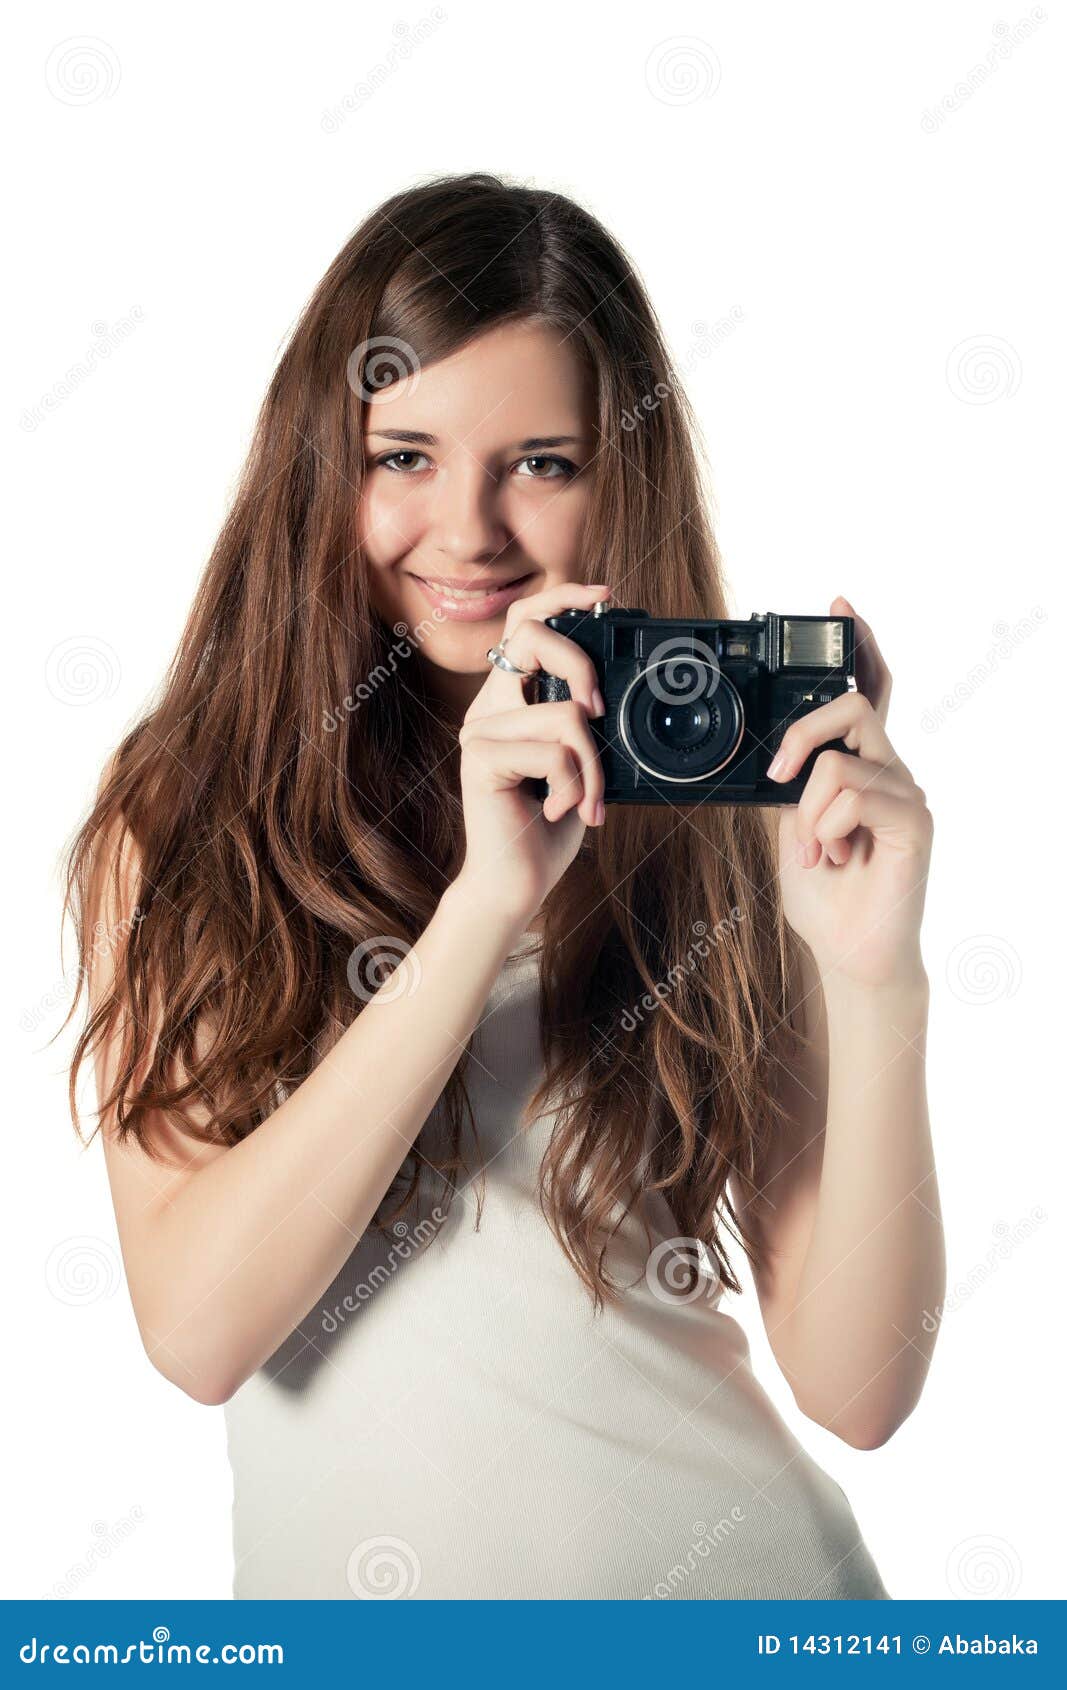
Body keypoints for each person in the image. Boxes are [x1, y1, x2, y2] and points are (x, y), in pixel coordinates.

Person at [60, 172, 942, 1600]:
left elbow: (859, 1387)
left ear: (620, 478)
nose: (468, 530)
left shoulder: (697, 811)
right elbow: (201, 1327)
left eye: (542, 461)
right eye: (403, 455)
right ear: (319, 466)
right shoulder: (185, 821)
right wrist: (483, 909)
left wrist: (875, 974)